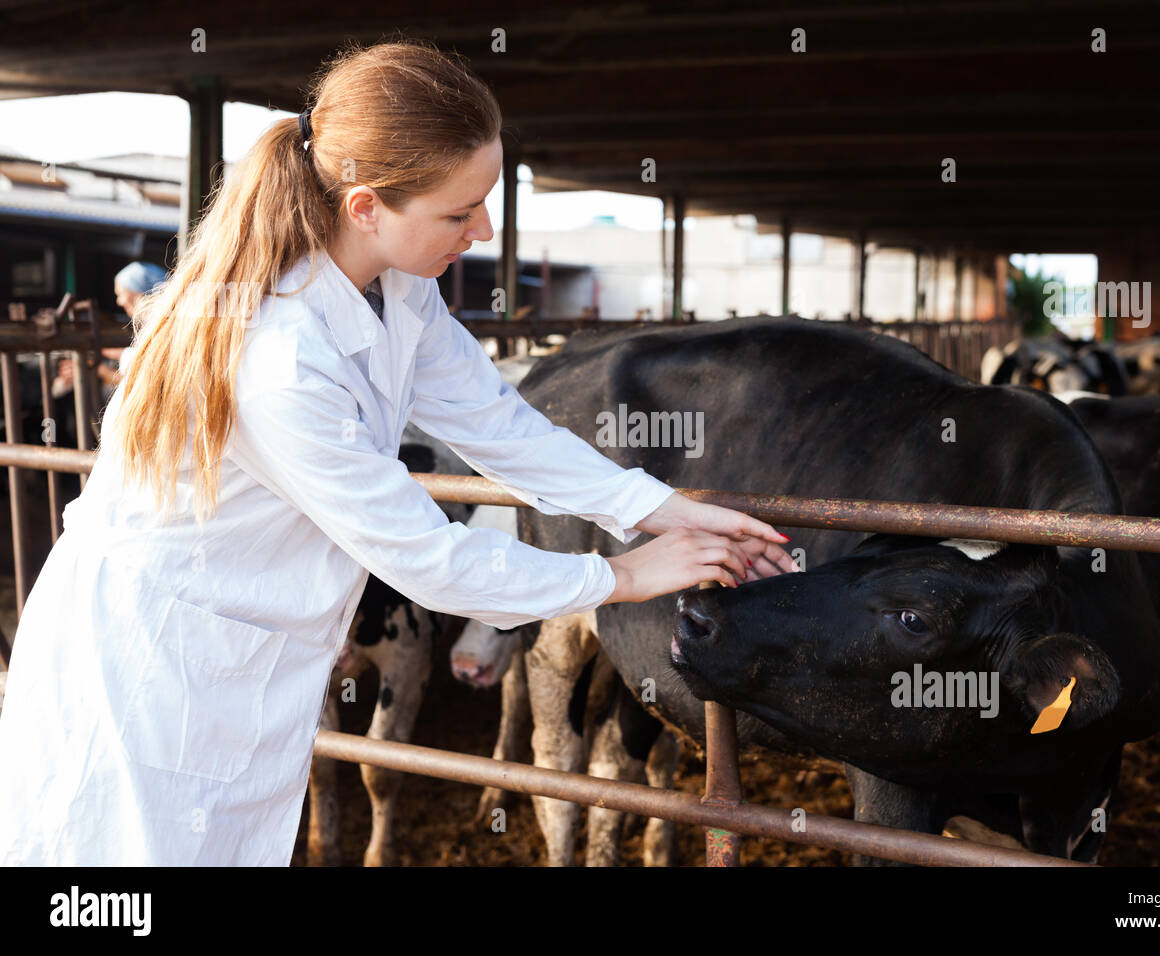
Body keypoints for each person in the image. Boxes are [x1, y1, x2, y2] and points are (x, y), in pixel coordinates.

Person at [0, 39, 796, 866]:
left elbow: (496, 423)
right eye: (460, 213)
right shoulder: (276, 356)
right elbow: (427, 558)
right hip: (144, 672)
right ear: (368, 206)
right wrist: (623, 577)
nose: (483, 230)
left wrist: (659, 507)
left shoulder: (397, 287)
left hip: (236, 660)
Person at [53, 261, 167, 396]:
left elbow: (147, 384)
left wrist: (97, 368)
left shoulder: (160, 330)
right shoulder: (143, 326)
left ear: (140, 293)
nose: (119, 301)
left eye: (121, 294)